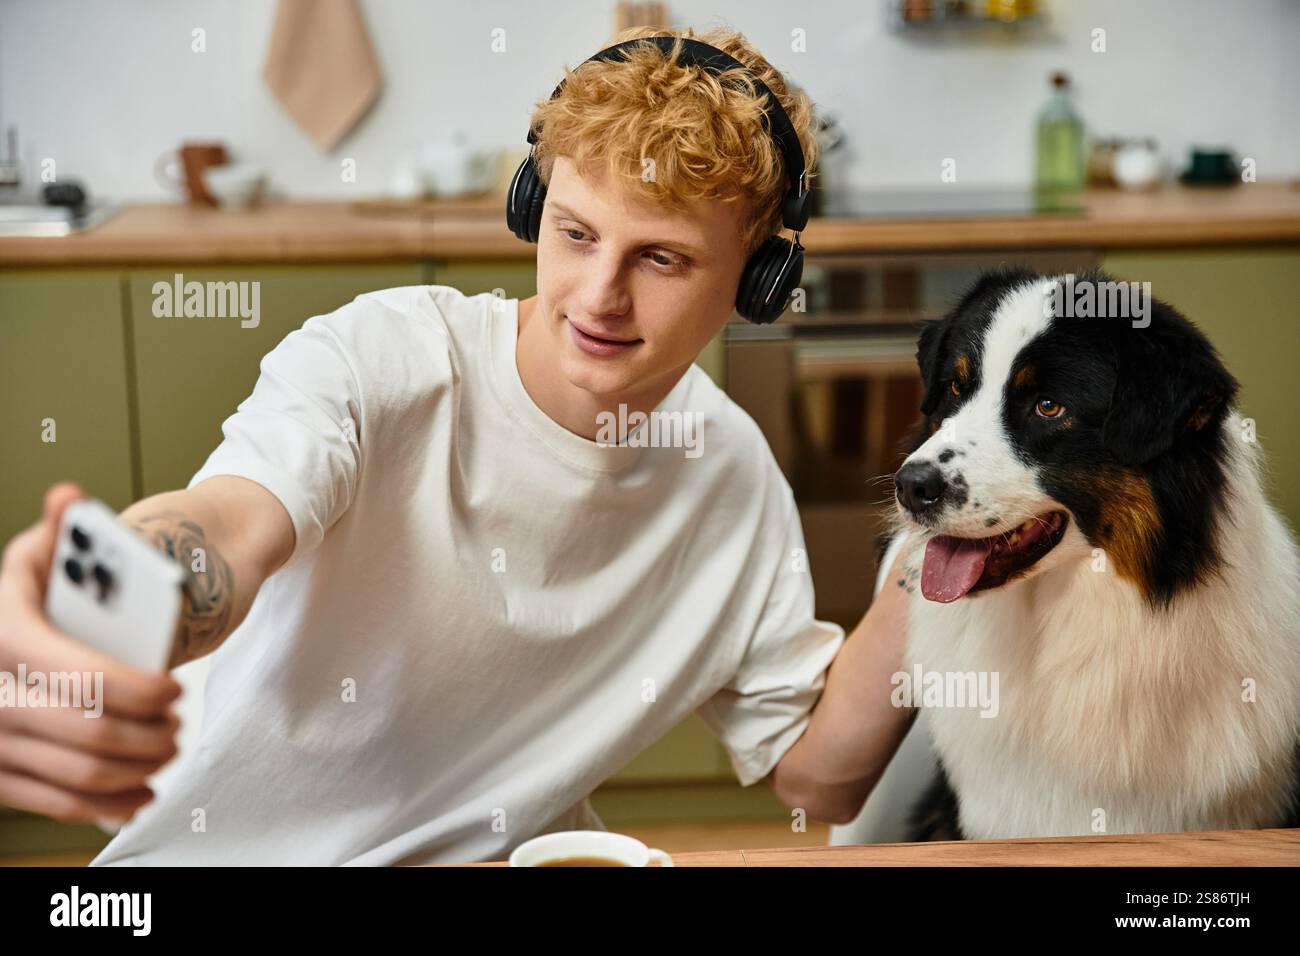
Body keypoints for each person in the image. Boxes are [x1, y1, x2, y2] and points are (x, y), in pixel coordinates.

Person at [0, 26, 914, 865]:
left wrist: (940, 551)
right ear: (533, 207)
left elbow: (814, 776)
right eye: (576, 233)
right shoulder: (383, 359)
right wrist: (95, 600)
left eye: (661, 258)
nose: (598, 296)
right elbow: (227, 529)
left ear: (757, 282)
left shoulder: (729, 475)